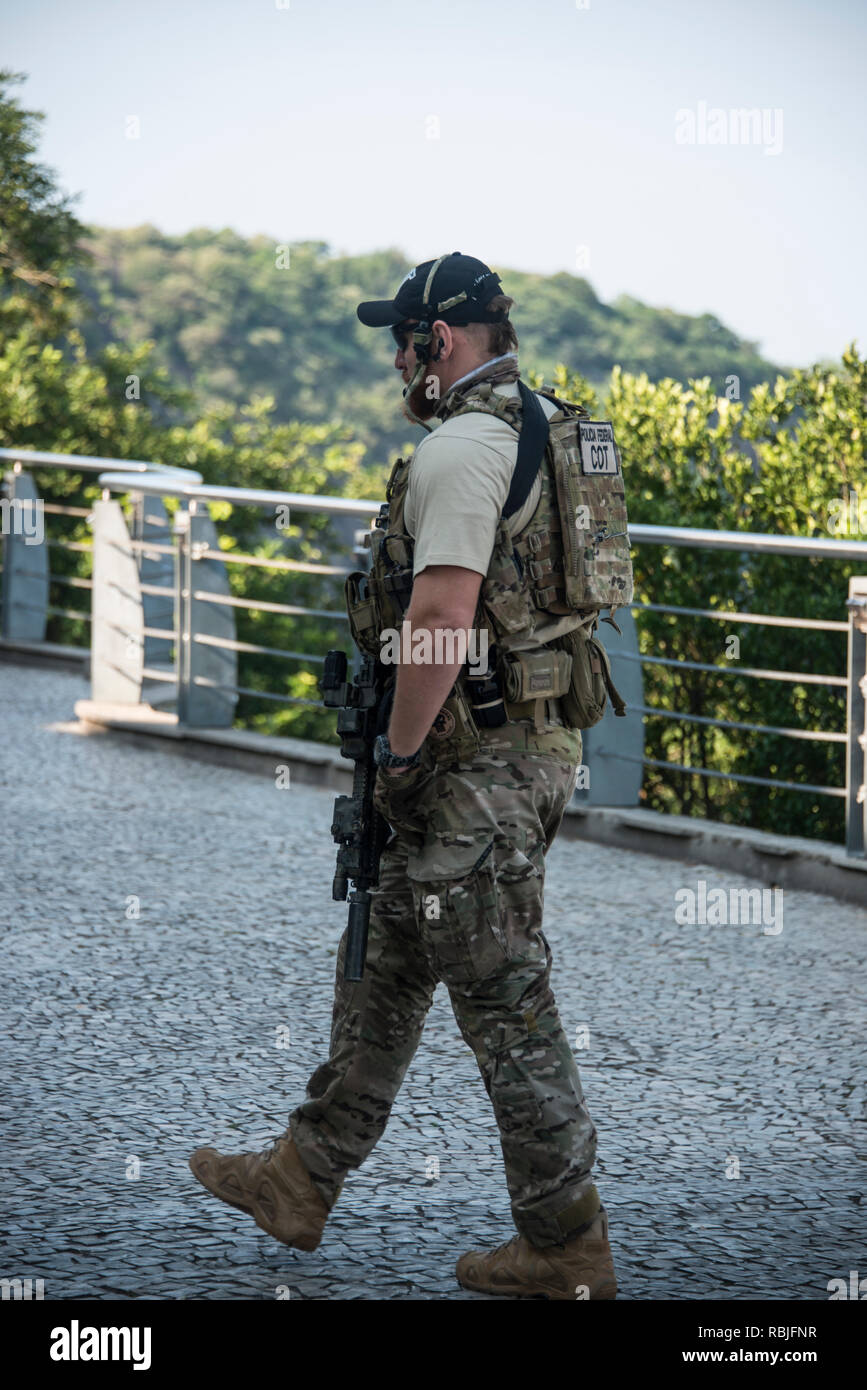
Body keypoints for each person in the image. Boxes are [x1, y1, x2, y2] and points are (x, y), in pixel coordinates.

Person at [190, 252, 618, 1300]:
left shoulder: (462, 448)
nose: (397, 360)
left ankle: (567, 1243)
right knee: (387, 956)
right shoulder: (551, 426)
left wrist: (400, 754)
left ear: (444, 341)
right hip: (534, 742)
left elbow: (437, 619)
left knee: (504, 997)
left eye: (404, 340)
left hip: (471, 762)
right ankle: (300, 1177)